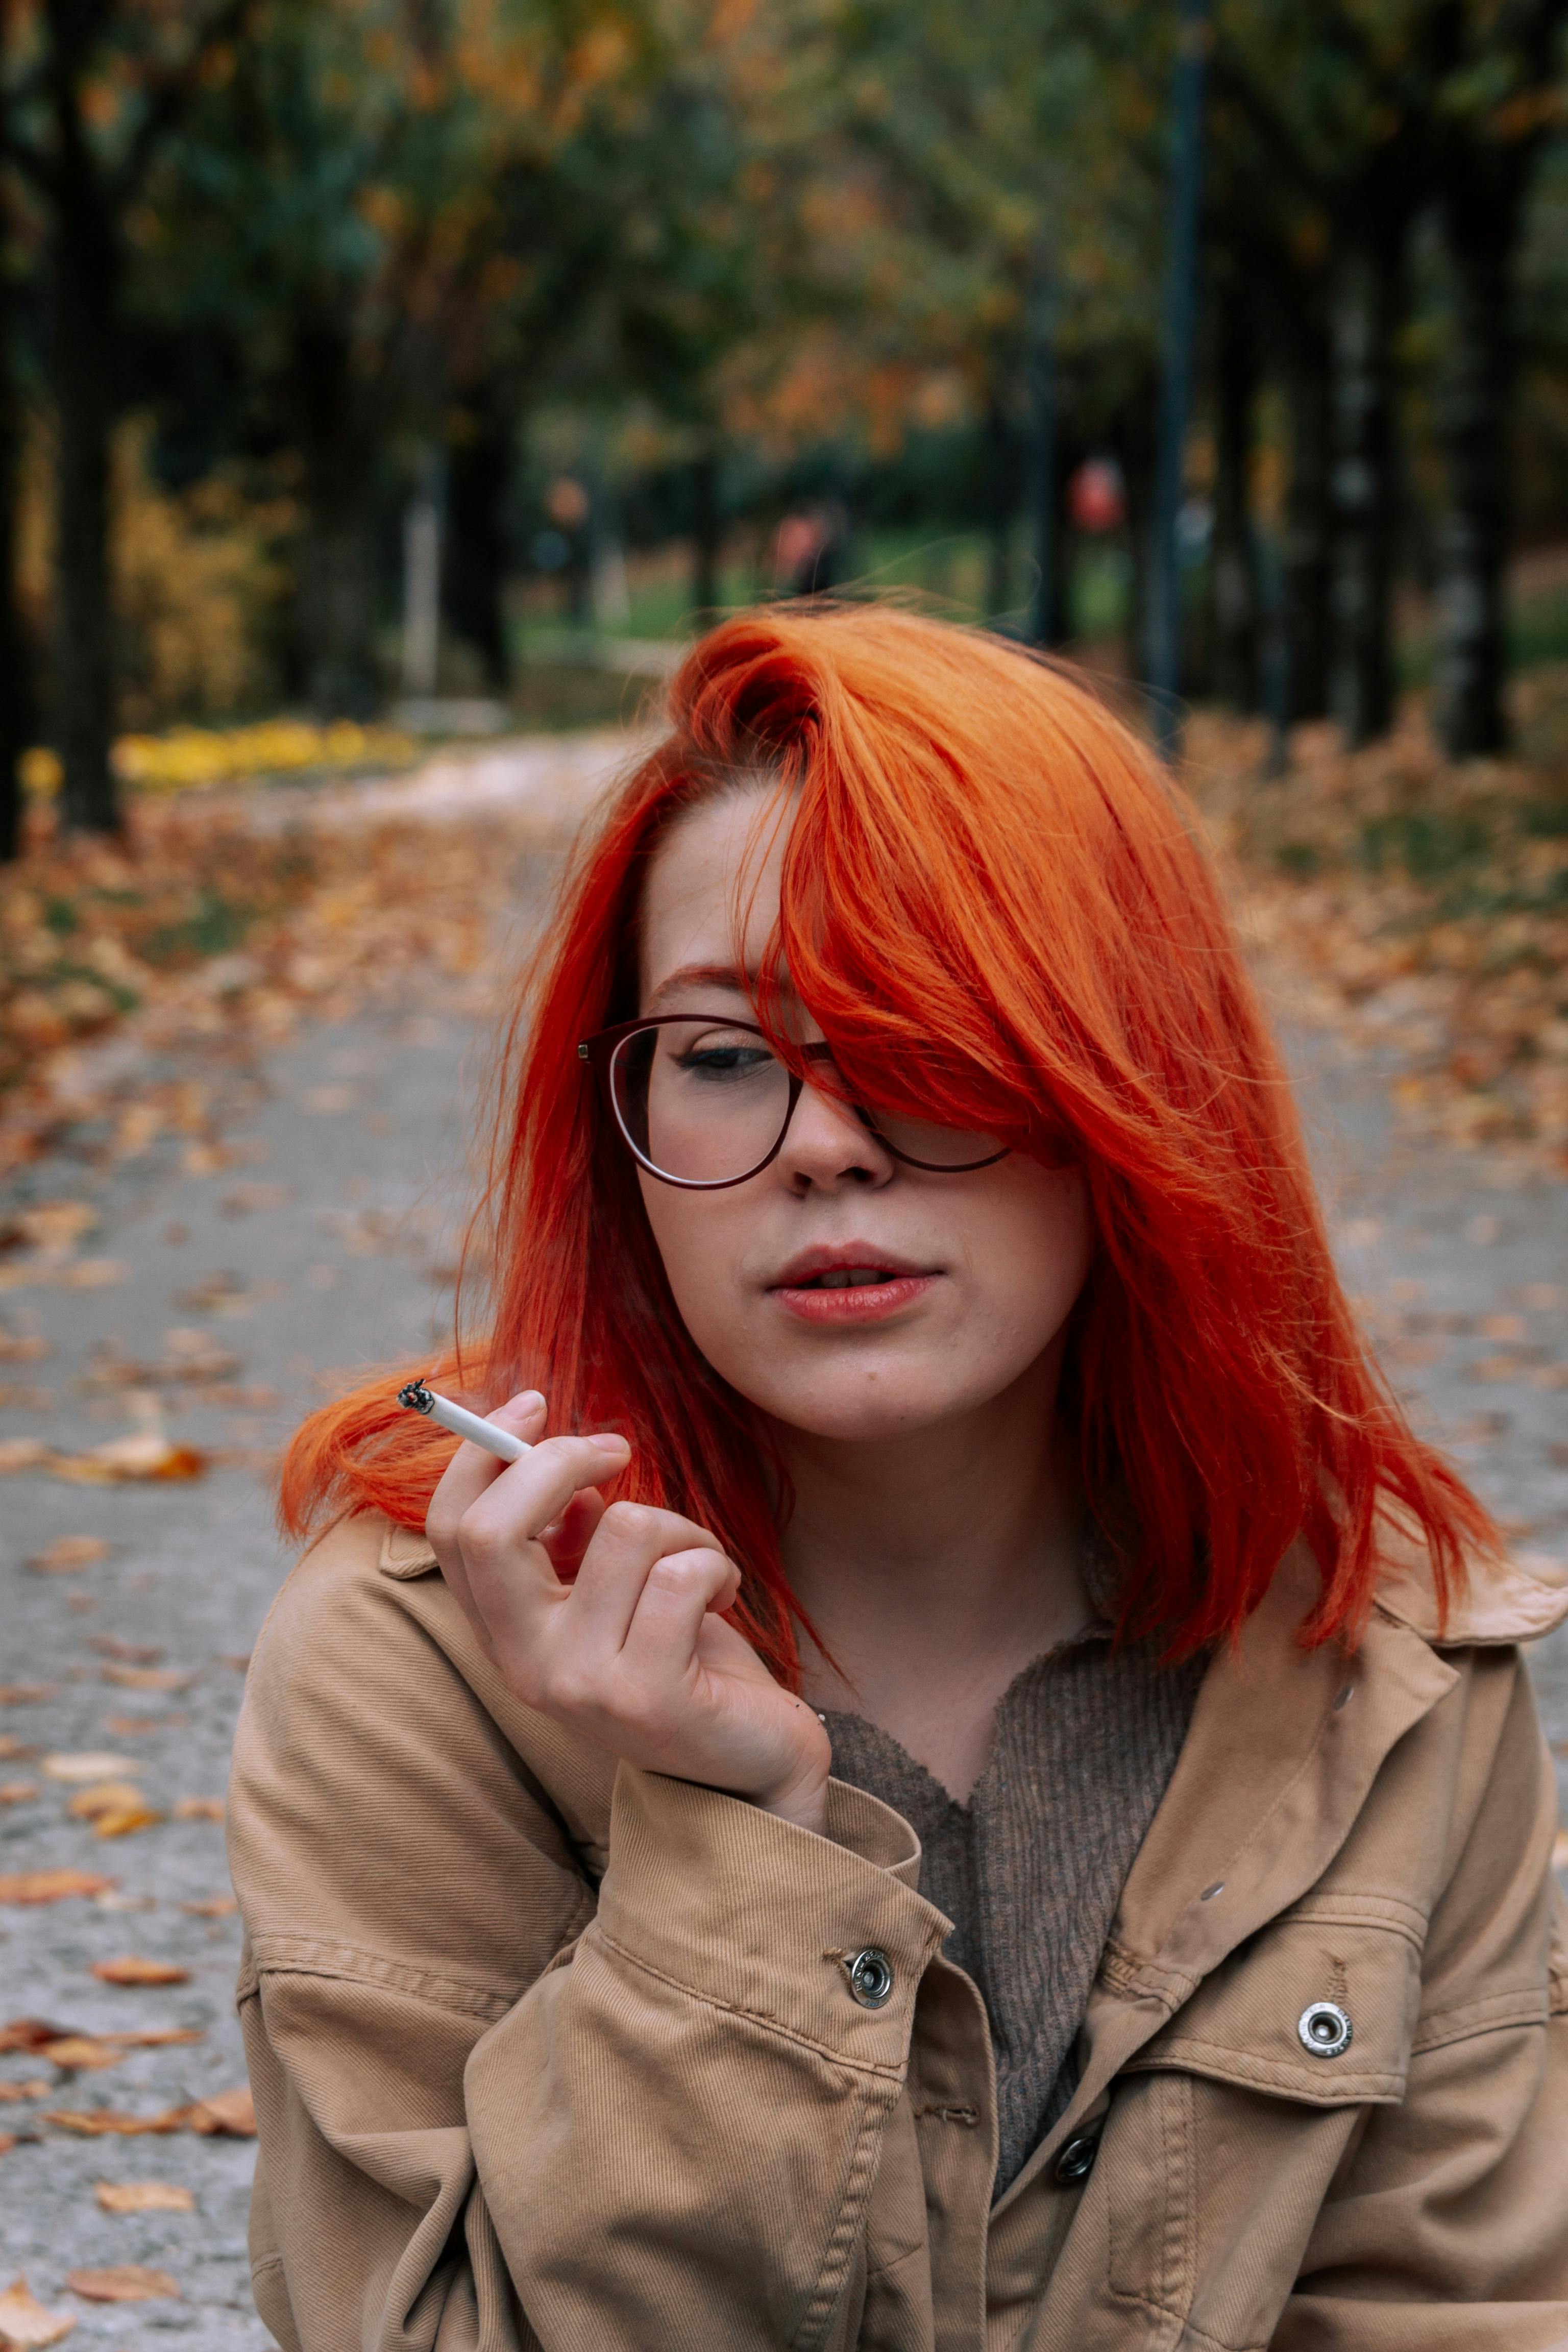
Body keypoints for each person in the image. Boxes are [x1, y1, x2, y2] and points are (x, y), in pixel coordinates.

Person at [230, 605, 1568, 2352]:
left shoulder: (1383, 1671)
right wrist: (729, 1858)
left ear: (1136, 1083)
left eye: (925, 1035)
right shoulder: (420, 1664)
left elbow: (1457, 2315)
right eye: (724, 1056)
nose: (833, 1143)